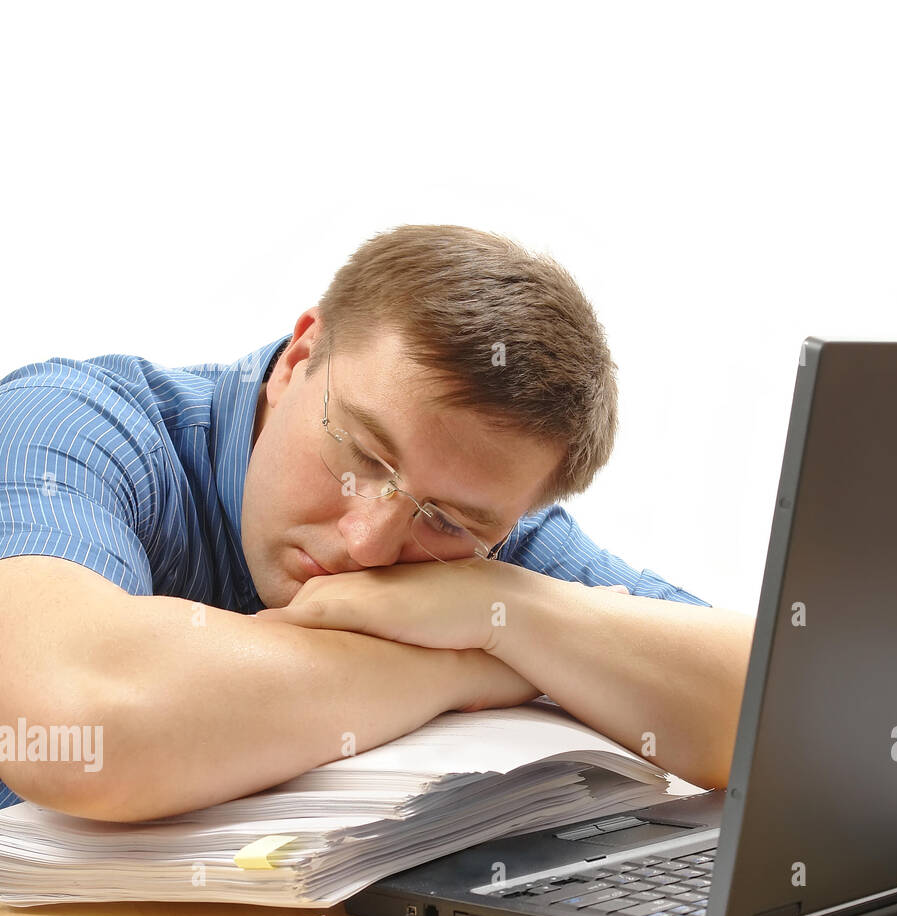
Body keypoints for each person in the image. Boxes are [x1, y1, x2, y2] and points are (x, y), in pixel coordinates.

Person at [0, 225, 753, 821]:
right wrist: (470, 662)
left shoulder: (480, 544)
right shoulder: (70, 427)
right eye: (360, 452)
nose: (368, 542)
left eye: (447, 520)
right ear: (301, 356)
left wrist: (511, 610)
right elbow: (80, 730)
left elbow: (781, 708)